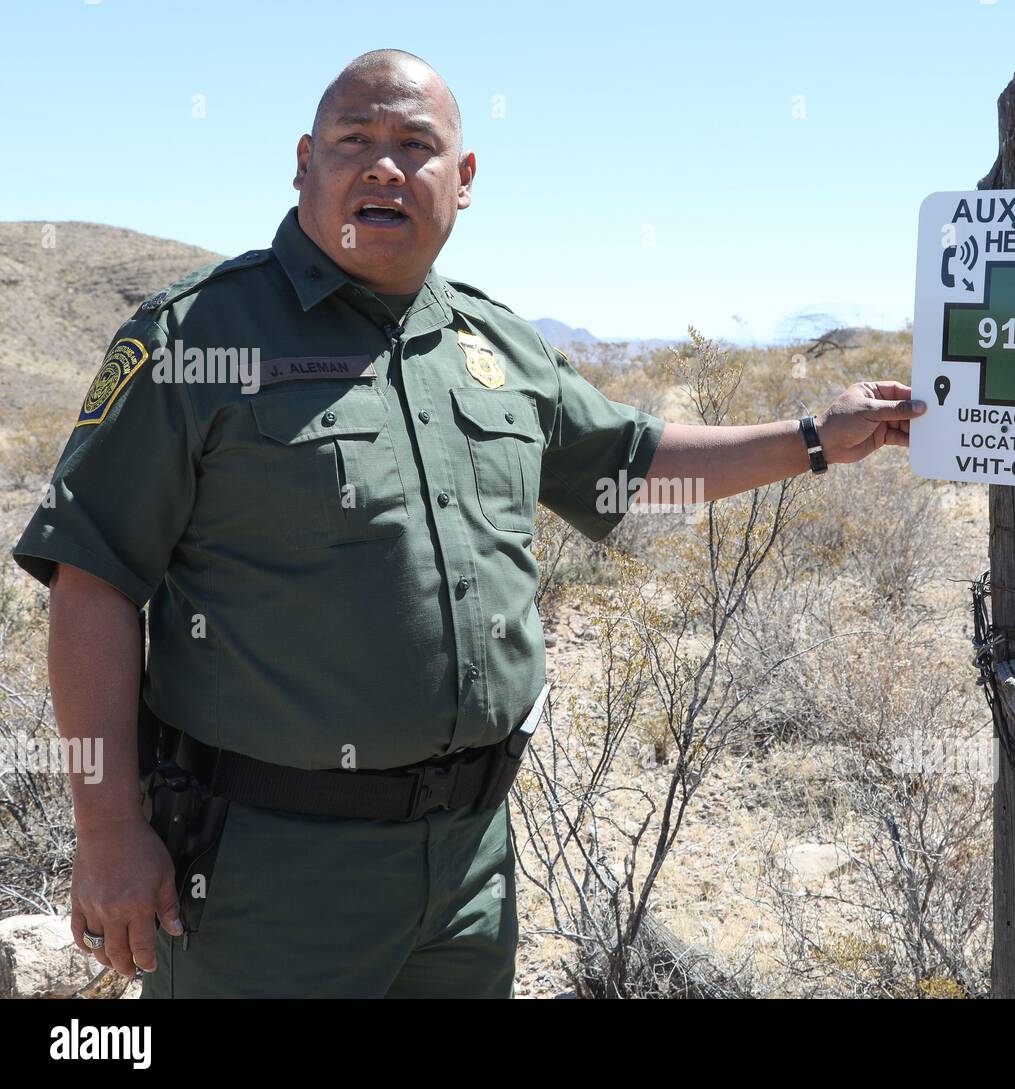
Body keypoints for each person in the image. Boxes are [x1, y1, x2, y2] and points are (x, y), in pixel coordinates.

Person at [12, 48, 925, 998]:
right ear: (302, 165)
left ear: (465, 179)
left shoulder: (496, 344)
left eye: (416, 144)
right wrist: (109, 832)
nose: (383, 166)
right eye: (352, 143)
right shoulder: (199, 337)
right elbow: (93, 582)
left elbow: (631, 470)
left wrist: (820, 436)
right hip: (267, 876)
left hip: (471, 868)